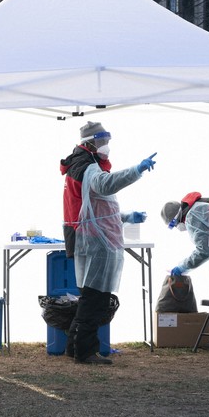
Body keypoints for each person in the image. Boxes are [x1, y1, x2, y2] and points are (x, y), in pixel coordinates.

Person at [63, 121, 156, 364]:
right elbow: (104, 186)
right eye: (102, 141)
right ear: (90, 142)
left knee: (89, 296)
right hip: (94, 239)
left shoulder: (82, 164)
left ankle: (74, 348)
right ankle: (84, 351)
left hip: (89, 236)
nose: (106, 146)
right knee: (94, 297)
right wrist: (137, 170)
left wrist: (124, 217)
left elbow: (97, 205)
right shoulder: (87, 166)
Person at [160, 192, 209, 349]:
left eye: (173, 225)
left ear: (176, 218)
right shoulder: (200, 206)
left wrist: (183, 266)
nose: (177, 228)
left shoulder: (192, 216)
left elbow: (204, 250)